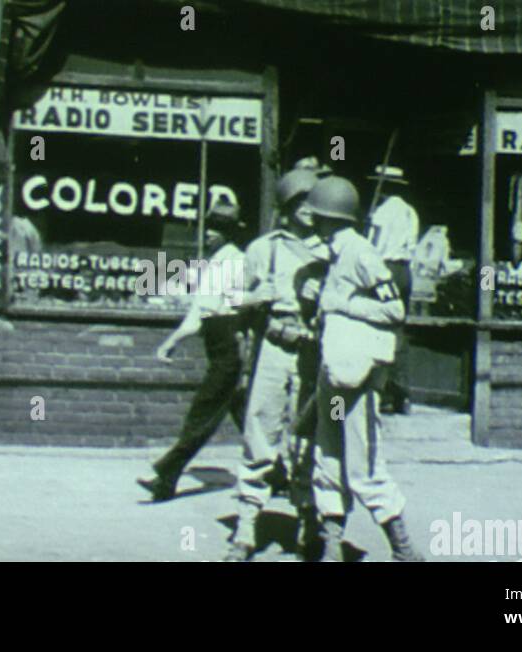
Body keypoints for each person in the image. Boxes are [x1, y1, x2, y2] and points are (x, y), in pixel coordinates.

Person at [306, 175, 424, 562]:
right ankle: (332, 543)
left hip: (357, 375)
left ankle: (403, 549)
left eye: (319, 217)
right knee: (329, 452)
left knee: (364, 463)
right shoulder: (333, 252)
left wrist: (342, 304)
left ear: (329, 217)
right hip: (334, 373)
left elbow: (395, 310)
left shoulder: (362, 253)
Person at [224, 168, 326, 562]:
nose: (307, 210)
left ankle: (307, 523)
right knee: (260, 432)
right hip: (272, 346)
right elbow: (229, 297)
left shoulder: (332, 251)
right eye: (299, 202)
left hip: (311, 348)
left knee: (306, 437)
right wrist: (254, 297)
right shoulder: (263, 248)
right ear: (286, 207)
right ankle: (246, 528)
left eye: (312, 201)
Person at [137, 199, 250, 502]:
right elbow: (198, 313)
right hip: (218, 344)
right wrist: (171, 342)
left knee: (203, 411)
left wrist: (244, 352)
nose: (210, 233)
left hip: (230, 345)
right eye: (209, 227)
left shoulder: (236, 261)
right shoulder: (214, 262)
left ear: (230, 232)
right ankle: (279, 474)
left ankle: (166, 473)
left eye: (219, 229)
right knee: (244, 414)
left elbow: (230, 309)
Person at [366, 164, 419, 414]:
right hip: (405, 272)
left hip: (385, 270)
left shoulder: (381, 213)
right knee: (398, 326)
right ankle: (400, 392)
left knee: (378, 325)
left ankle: (384, 389)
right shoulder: (410, 212)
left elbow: (371, 248)